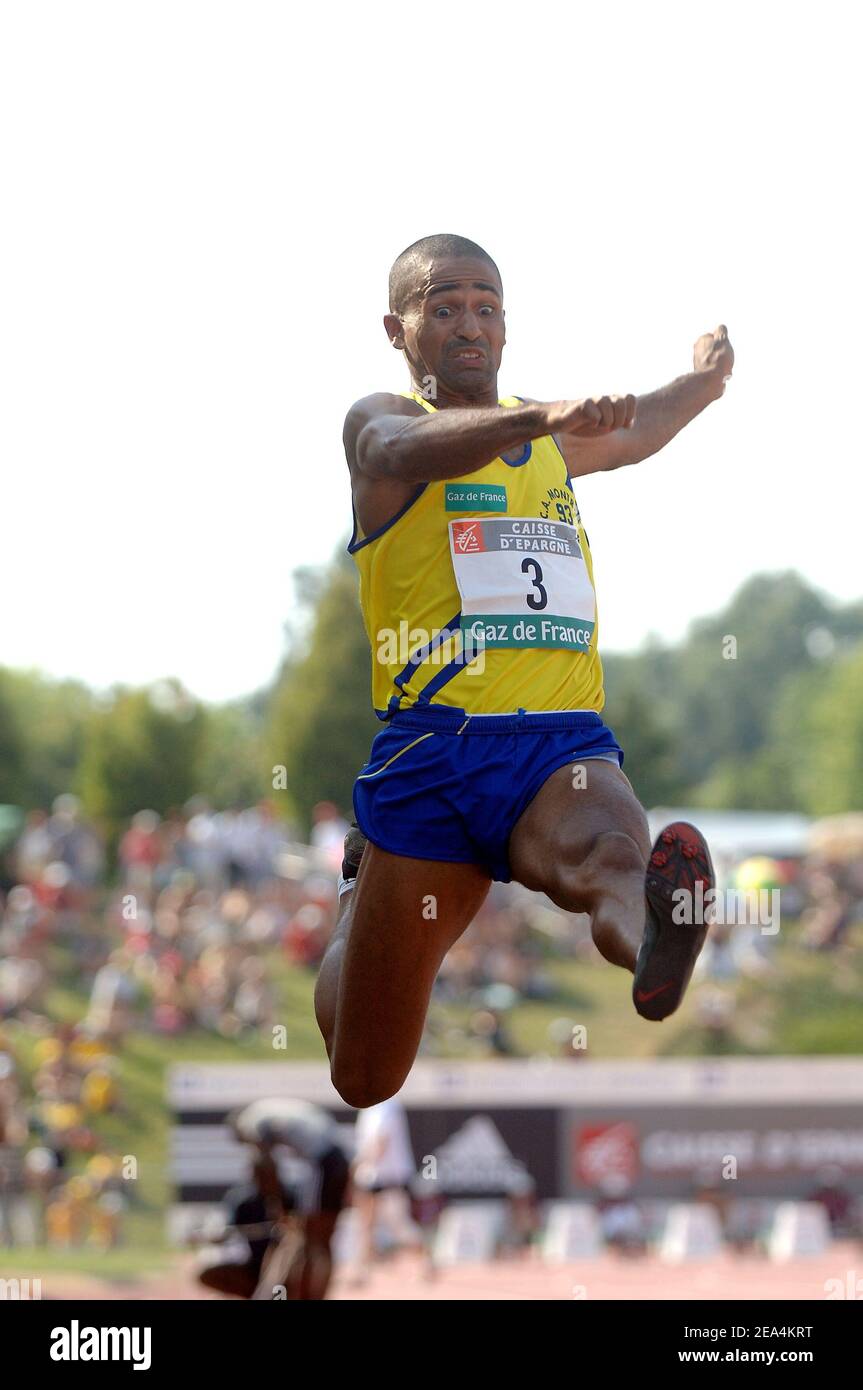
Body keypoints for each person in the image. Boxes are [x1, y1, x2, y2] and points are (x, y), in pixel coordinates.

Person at [315, 233, 734, 1109]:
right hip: (432, 757)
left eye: (486, 306)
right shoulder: (381, 422)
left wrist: (704, 379)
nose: (470, 323)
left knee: (614, 856)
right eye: (445, 306)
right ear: (398, 329)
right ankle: (358, 907)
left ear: (505, 326)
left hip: (556, 745)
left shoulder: (550, 437)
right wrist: (536, 418)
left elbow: (641, 427)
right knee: (363, 1075)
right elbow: (396, 452)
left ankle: (659, 929)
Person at [228, 1098, 351, 1300]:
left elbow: (265, 1167)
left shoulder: (249, 1121)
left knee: (309, 1236)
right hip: (337, 1160)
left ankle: (300, 1293)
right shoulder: (267, 1112)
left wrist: (278, 1204)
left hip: (323, 1163)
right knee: (321, 1240)